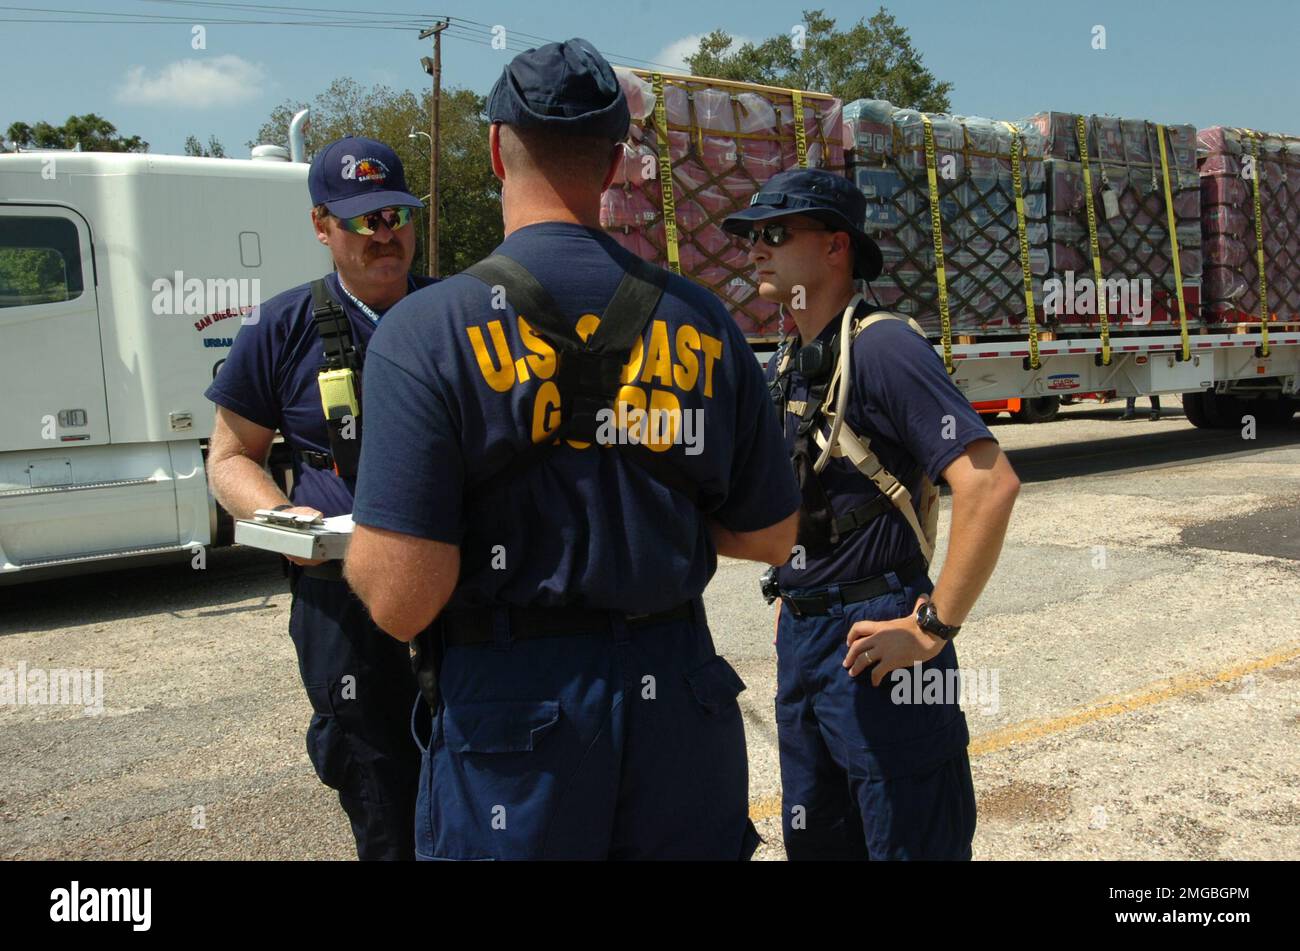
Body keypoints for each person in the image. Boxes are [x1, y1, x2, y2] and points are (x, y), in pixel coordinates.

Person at [343, 38, 801, 861]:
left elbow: (402, 599)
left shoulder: (425, 331)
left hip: (516, 721)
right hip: (679, 706)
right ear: (617, 161)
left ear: (493, 147)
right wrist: (651, 518)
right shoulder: (702, 319)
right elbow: (770, 536)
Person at [722, 168, 1021, 860]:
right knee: (819, 840)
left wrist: (930, 628)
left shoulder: (884, 347)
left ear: (835, 247)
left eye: (774, 232)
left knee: (906, 839)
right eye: (748, 235)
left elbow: (990, 485)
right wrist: (797, 590)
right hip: (807, 644)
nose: (755, 249)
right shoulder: (793, 359)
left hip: (881, 644)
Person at [205, 136, 436, 860]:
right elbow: (230, 454)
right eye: (362, 220)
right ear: (320, 225)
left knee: (476, 760)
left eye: (396, 214)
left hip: (454, 583)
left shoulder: (458, 311)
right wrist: (278, 512)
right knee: (375, 776)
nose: (385, 233)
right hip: (340, 595)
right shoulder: (281, 326)